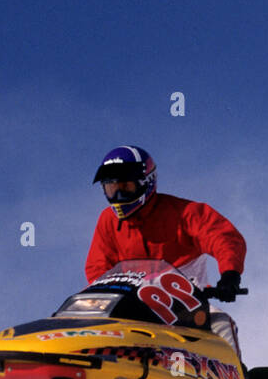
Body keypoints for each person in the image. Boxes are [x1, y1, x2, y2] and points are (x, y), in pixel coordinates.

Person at [86, 144, 246, 356]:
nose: (118, 196)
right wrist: (102, 295)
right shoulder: (108, 220)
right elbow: (98, 267)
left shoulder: (183, 213)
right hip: (131, 305)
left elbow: (223, 237)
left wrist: (230, 274)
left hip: (185, 306)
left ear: (147, 183)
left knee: (220, 323)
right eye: (111, 188)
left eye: (126, 187)